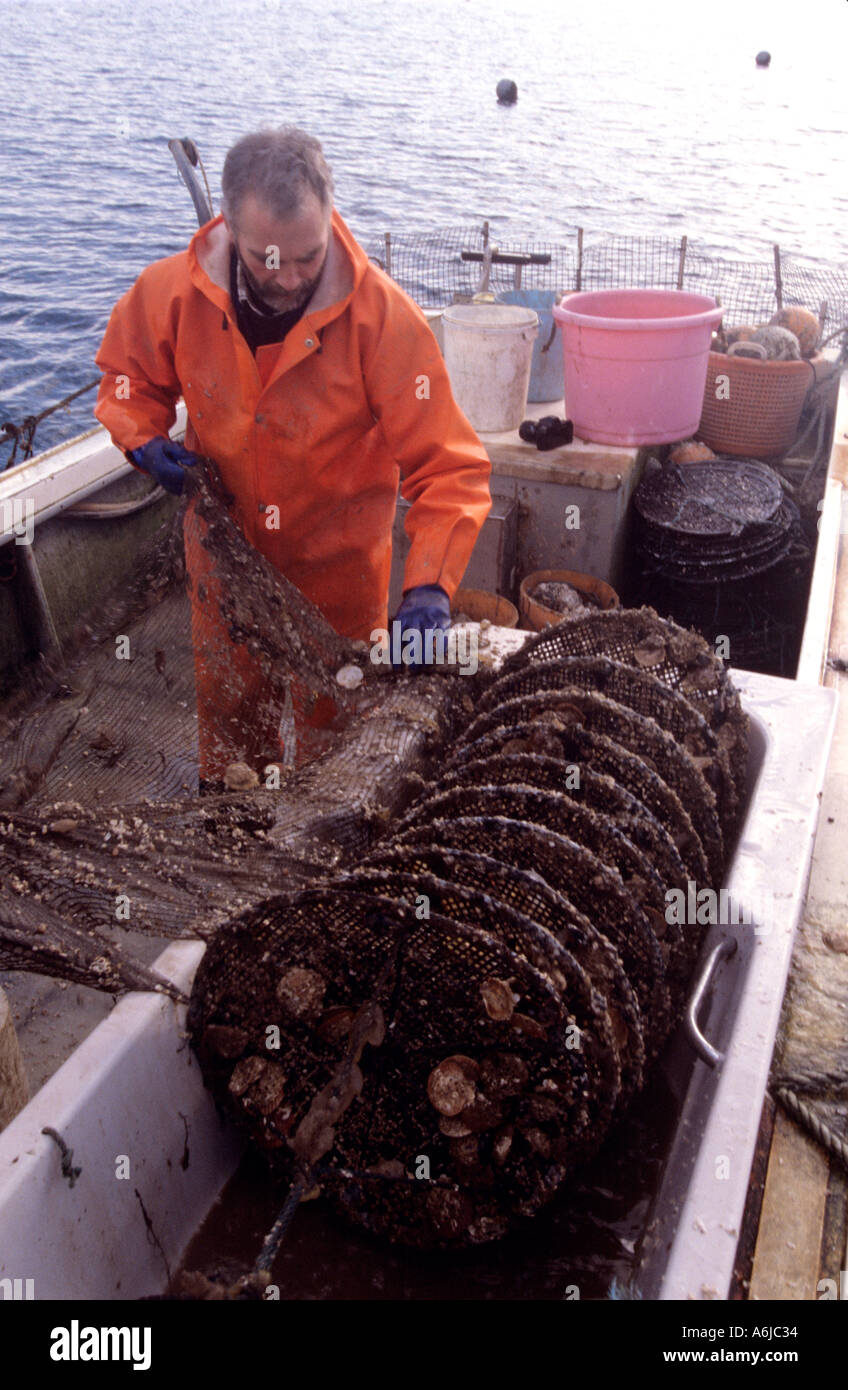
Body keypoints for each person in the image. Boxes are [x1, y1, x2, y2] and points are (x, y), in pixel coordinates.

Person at [94, 126, 492, 780]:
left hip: (337, 581)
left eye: (308, 256)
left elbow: (448, 468)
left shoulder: (383, 321)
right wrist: (143, 440)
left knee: (335, 750)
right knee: (231, 739)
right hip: (225, 568)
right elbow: (127, 379)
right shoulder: (174, 292)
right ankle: (231, 833)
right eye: (267, 258)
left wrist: (428, 588)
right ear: (229, 227)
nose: (290, 277)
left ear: (331, 217)